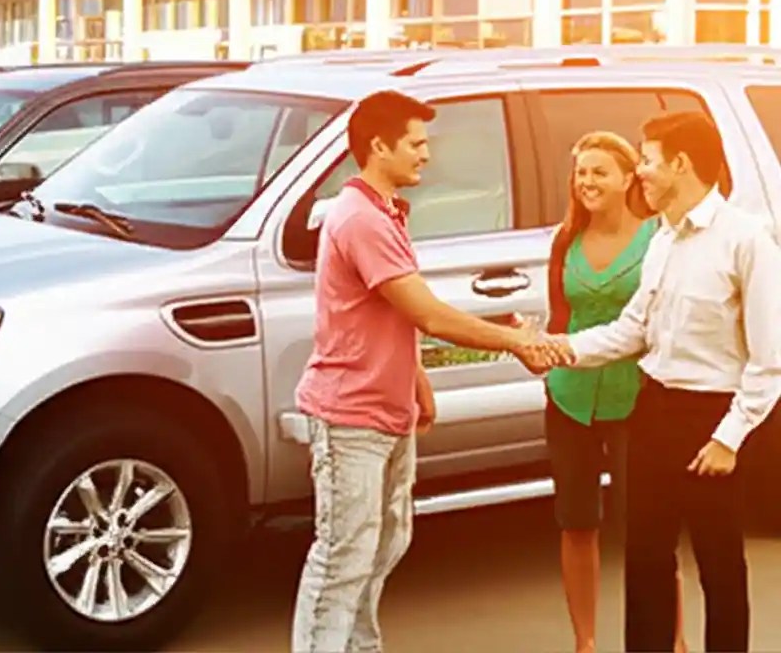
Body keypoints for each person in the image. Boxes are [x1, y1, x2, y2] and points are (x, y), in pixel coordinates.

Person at [291, 89, 566, 653]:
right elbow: (426, 312)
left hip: (386, 411)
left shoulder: (384, 212)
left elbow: (395, 316)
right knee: (344, 552)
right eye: (416, 144)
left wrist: (417, 384)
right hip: (351, 417)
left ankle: (360, 647)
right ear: (378, 146)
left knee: (385, 542)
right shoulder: (361, 219)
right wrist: (517, 341)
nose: (426, 155)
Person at [543, 110, 781, 652]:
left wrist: (728, 438)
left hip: (713, 418)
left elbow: (770, 359)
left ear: (680, 163)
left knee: (720, 566)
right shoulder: (664, 239)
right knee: (645, 559)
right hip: (652, 410)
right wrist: (562, 349)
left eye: (647, 161)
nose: (641, 173)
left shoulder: (747, 240)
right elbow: (634, 330)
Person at [542, 131, 686, 653]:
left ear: (629, 178)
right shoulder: (566, 239)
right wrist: (535, 341)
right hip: (570, 400)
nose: (587, 182)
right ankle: (585, 641)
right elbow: (560, 318)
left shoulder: (659, 240)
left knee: (648, 530)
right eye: (581, 173)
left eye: (599, 172)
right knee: (578, 524)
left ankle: (672, 640)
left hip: (637, 401)